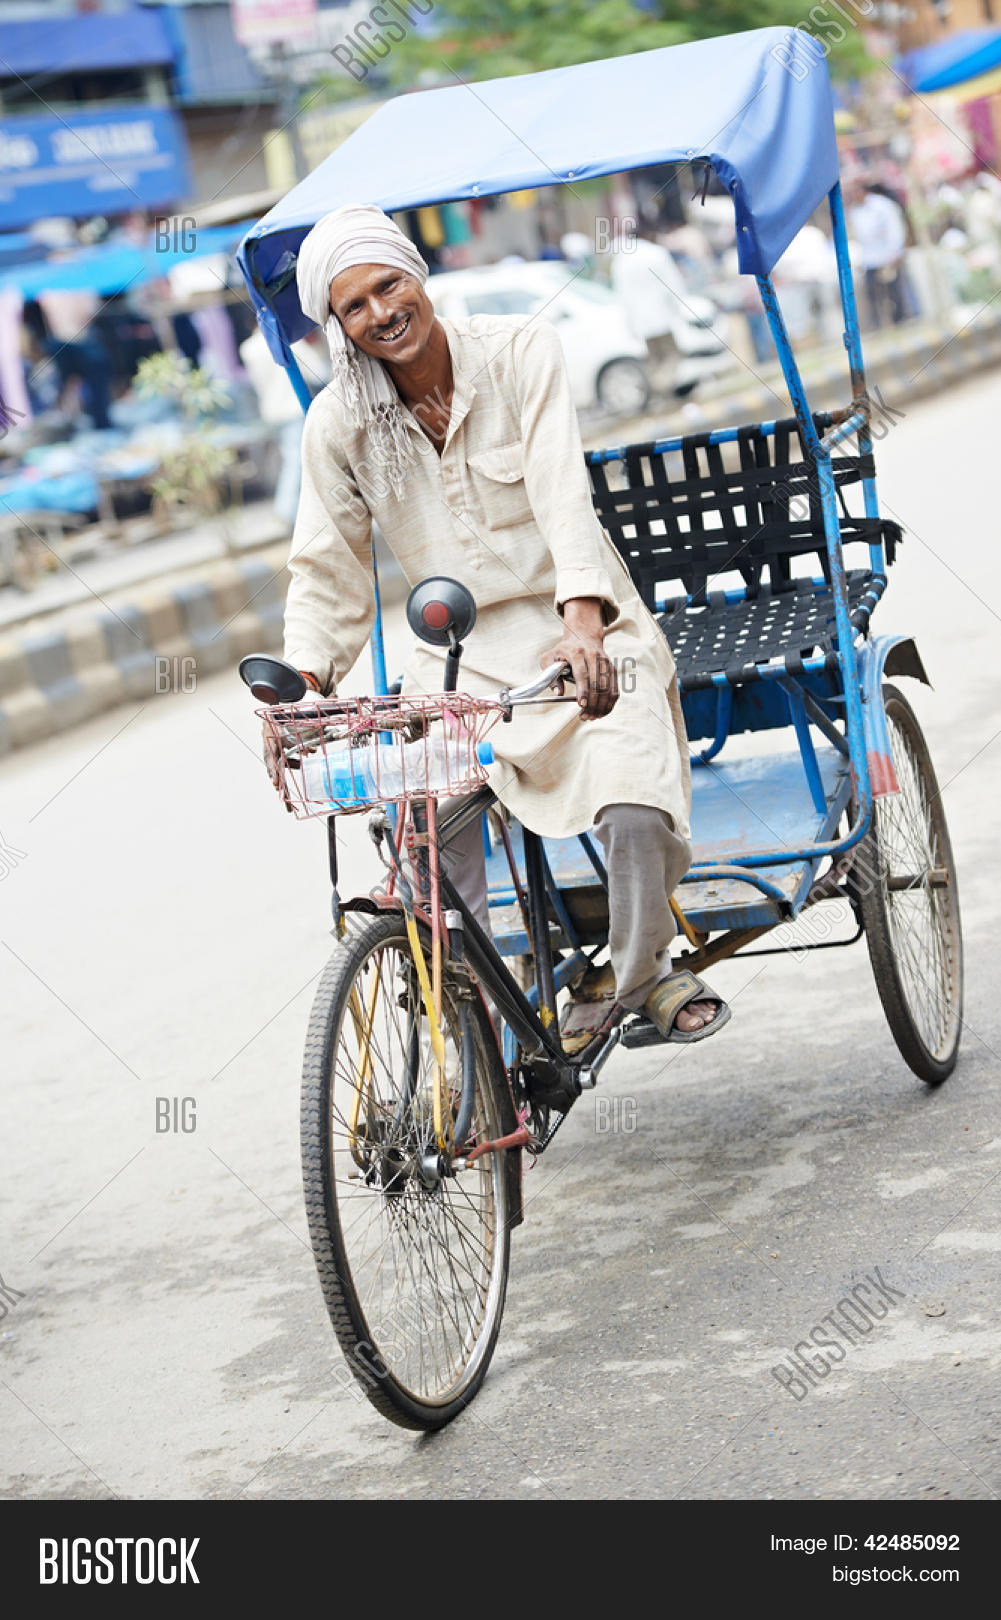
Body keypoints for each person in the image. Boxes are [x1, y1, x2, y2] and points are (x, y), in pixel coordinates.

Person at [272, 203, 730, 1043]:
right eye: (354, 306)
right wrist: (304, 683)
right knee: (421, 831)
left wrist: (583, 623)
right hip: (457, 664)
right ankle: (472, 1022)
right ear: (337, 325)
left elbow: (562, 494)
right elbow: (325, 566)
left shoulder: (520, 350)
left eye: (389, 286)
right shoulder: (337, 421)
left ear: (418, 276)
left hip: (582, 633)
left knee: (633, 802)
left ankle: (637, 976)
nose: (381, 313)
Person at [847, 182, 910, 329]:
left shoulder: (882, 205)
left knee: (894, 291)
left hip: (888, 254)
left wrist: (896, 251)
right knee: (872, 293)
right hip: (870, 258)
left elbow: (894, 228)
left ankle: (900, 320)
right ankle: (878, 324)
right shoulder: (854, 211)